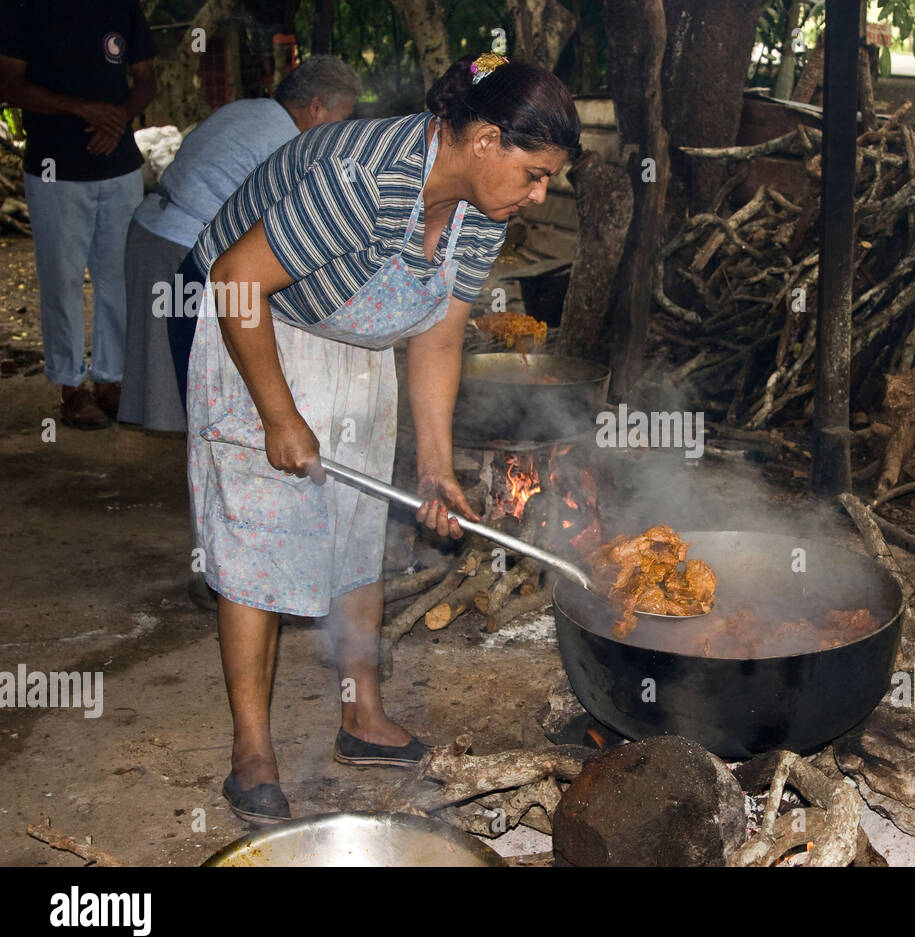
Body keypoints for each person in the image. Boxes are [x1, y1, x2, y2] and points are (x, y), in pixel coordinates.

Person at [187, 51, 580, 824]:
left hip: (359, 343)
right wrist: (279, 416)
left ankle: (362, 718)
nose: (539, 195)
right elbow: (236, 280)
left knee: (355, 534)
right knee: (257, 548)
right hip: (260, 332)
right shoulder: (365, 180)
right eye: (534, 174)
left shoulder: (479, 210)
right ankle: (253, 755)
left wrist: (435, 468)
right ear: (485, 141)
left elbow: (438, 333)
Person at [119, 54, 361, 434]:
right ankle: (208, 457)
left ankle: (190, 450)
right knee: (202, 371)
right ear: (316, 107)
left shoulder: (250, 109)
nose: (341, 129)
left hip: (152, 228)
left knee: (169, 370)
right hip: (182, 245)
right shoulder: (288, 146)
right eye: (342, 118)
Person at [0, 0, 156, 429]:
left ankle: (110, 380)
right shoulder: (21, 9)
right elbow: (9, 84)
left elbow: (146, 80)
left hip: (119, 163)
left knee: (117, 277)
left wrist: (119, 118)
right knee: (62, 279)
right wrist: (81, 109)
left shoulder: (121, 7)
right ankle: (71, 387)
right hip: (55, 167)